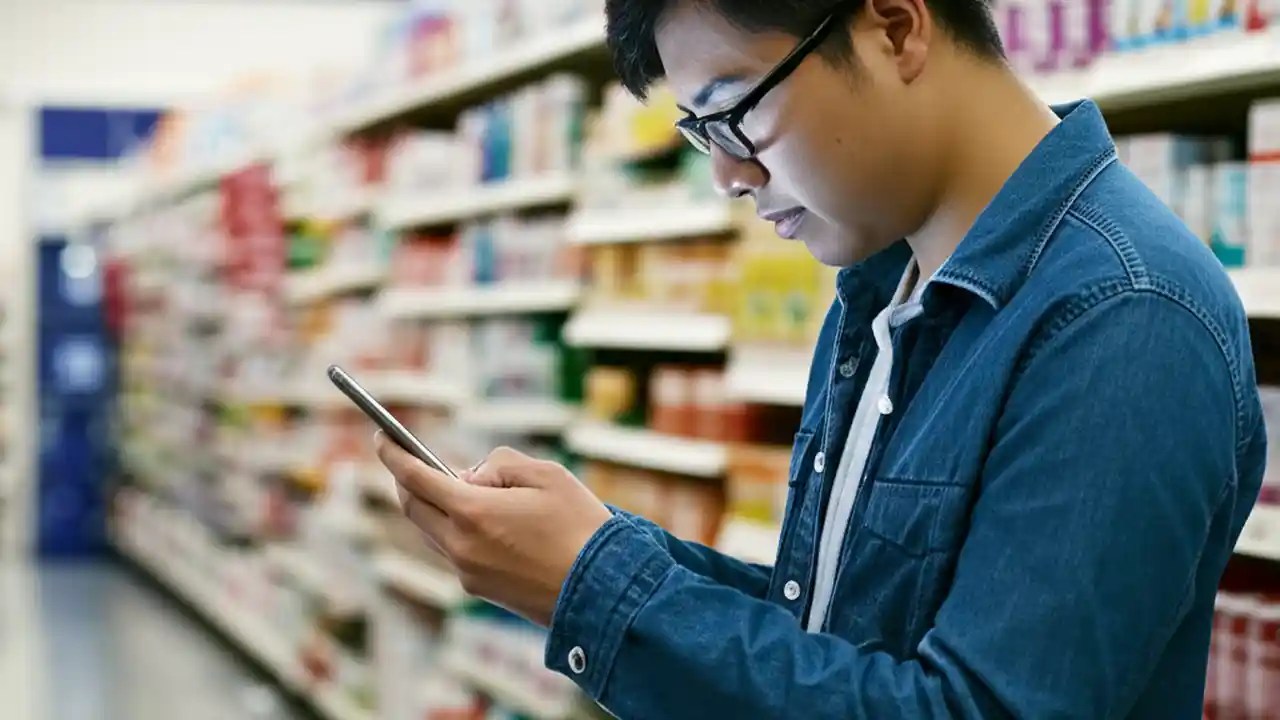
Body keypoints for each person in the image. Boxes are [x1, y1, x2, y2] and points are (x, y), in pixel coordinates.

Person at [376, 0, 1268, 716]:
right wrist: (596, 548)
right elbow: (840, 626)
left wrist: (596, 585)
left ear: (894, 26)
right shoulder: (887, 290)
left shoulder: (1125, 313)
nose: (727, 176)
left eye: (734, 112)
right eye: (702, 131)